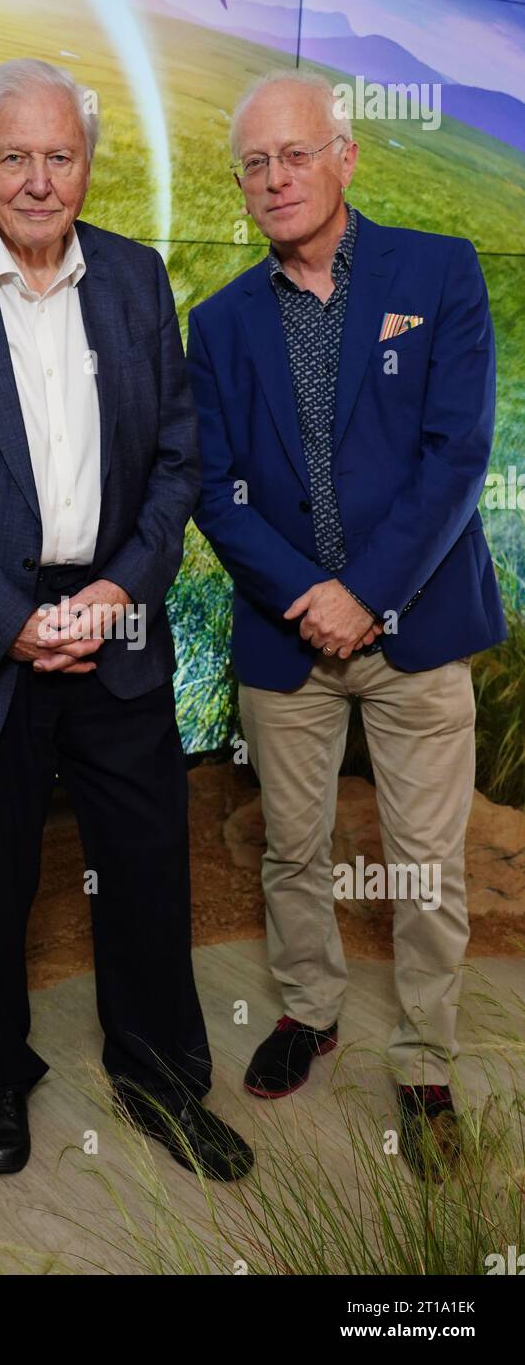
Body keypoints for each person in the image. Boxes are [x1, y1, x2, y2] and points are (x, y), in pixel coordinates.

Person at [0, 58, 252, 1182]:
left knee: (144, 865)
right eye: (11, 156)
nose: (35, 181)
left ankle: (163, 1084)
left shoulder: (132, 277)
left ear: (86, 164)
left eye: (57, 156)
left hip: (115, 621)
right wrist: (14, 624)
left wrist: (118, 590)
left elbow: (175, 463)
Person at [187, 68, 505, 1179]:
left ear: (344, 156)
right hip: (286, 643)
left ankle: (422, 1064)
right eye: (254, 165)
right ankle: (309, 1011)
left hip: (413, 631)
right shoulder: (217, 322)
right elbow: (213, 488)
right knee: (291, 848)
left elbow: (454, 458)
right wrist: (305, 599)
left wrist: (363, 594)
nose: (275, 179)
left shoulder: (437, 270)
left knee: (424, 863)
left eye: (294, 155)